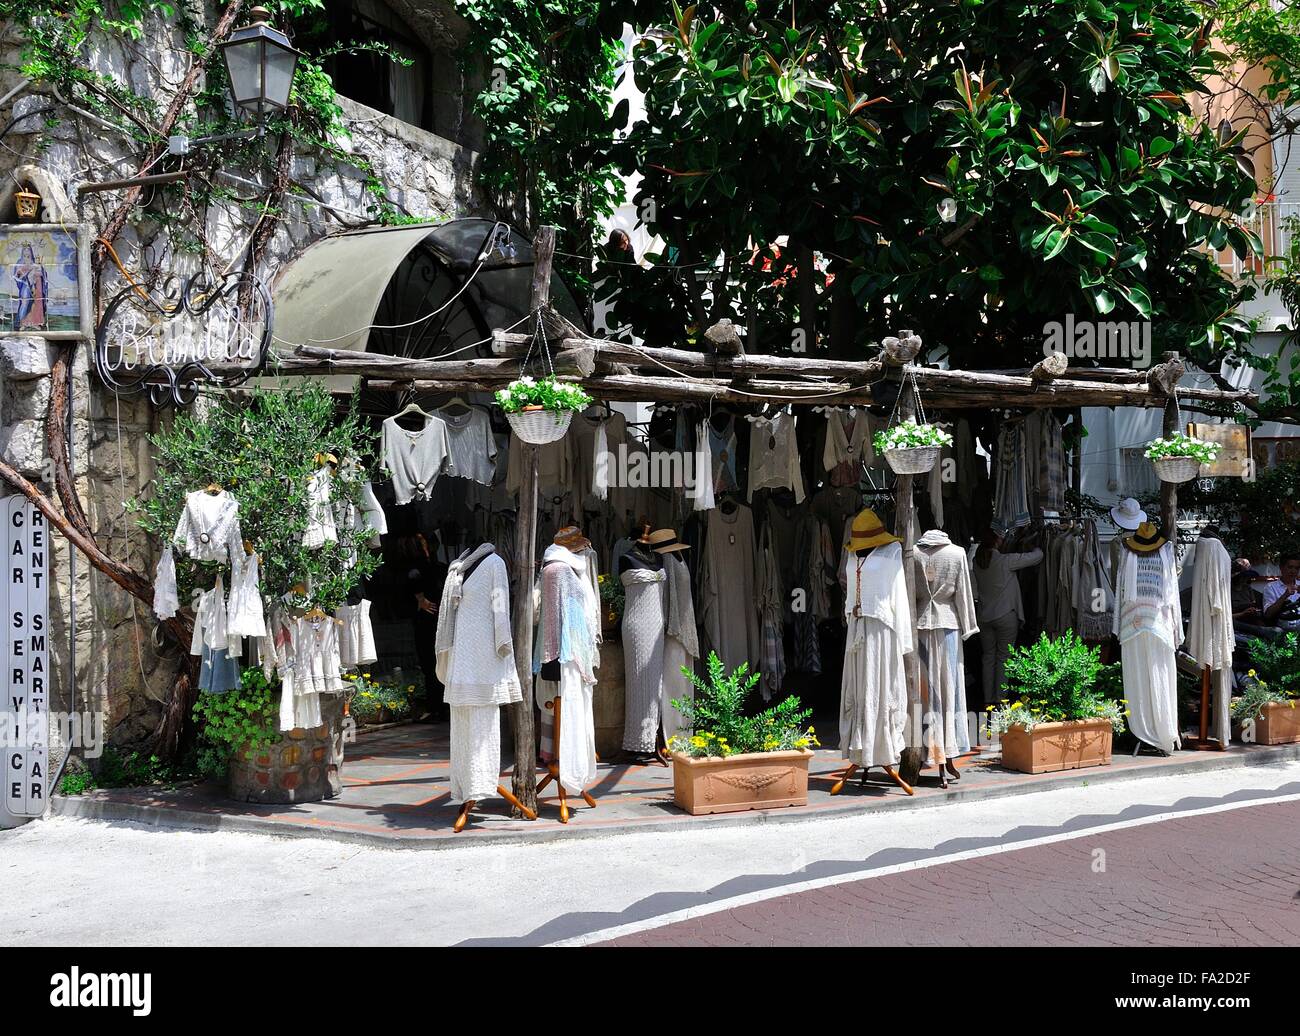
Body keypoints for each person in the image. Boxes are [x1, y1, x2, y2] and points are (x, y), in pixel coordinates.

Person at [969, 526, 1043, 704]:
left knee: (988, 658)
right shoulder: (1004, 560)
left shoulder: (977, 564)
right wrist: (1036, 546)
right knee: (1003, 657)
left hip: (985, 617)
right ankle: (1000, 699)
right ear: (995, 542)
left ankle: (988, 700)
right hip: (1005, 616)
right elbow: (1037, 557)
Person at [1261, 550, 1300, 632]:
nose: (1293, 571)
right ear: (1281, 568)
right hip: (1283, 629)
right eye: (1290, 567)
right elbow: (1268, 614)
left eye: (1296, 568)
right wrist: (1284, 596)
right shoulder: (1271, 587)